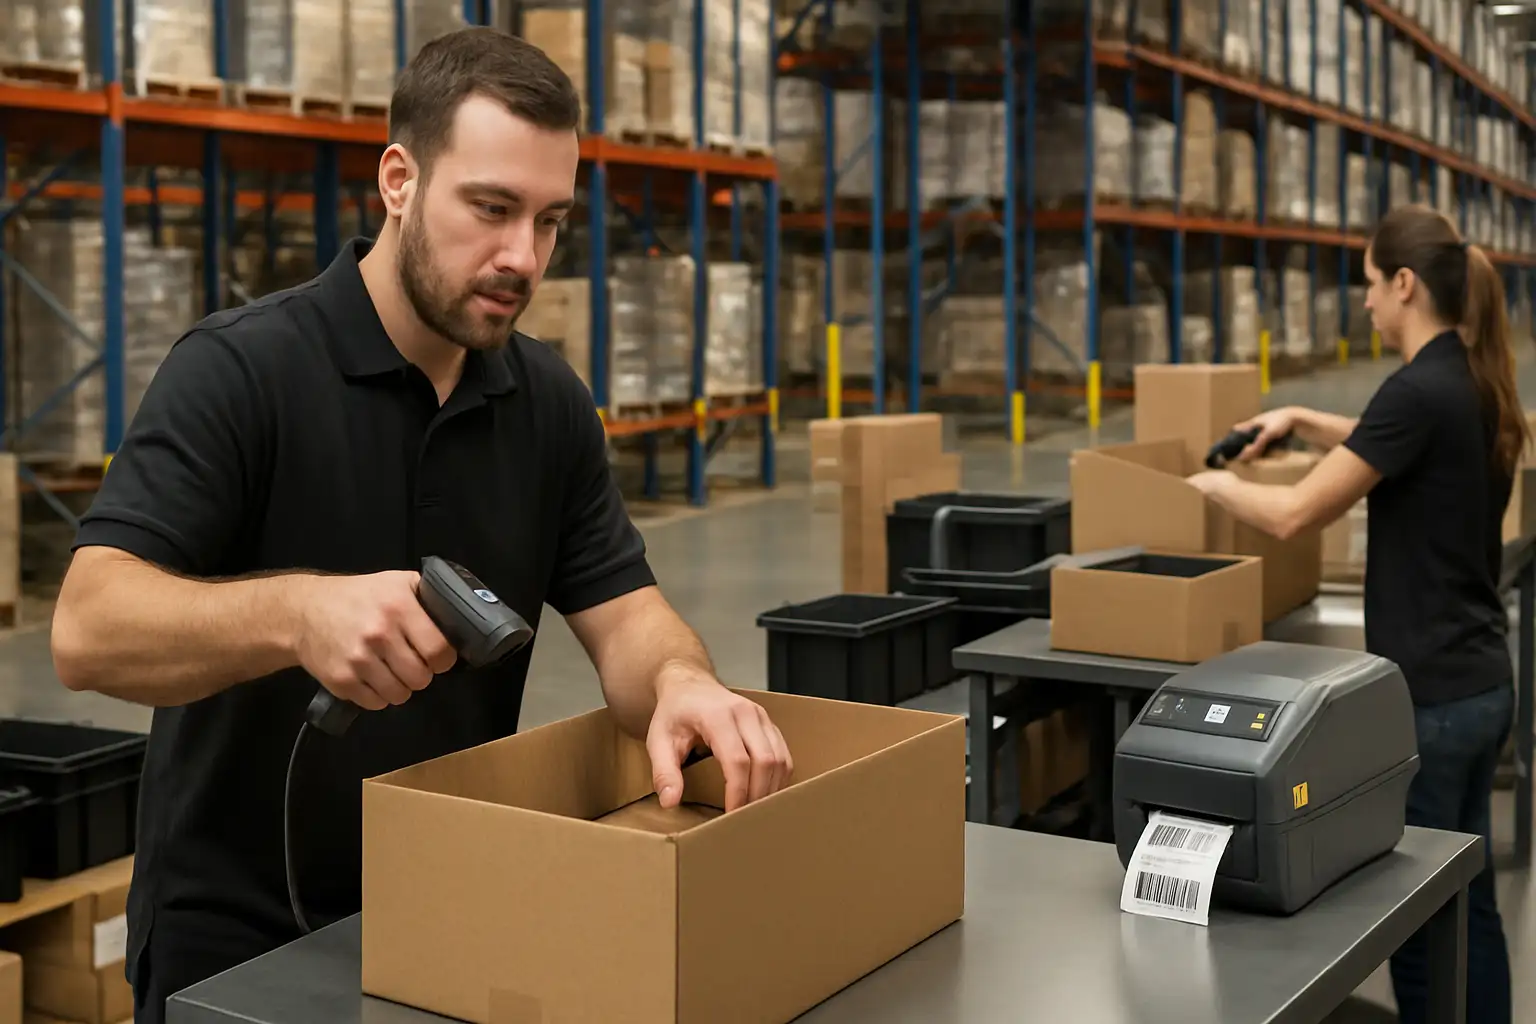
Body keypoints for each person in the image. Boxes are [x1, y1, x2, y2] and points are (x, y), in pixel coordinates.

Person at [47, 27, 793, 1024]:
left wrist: (682, 681)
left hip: (448, 916)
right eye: (490, 208)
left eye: (550, 221)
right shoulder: (241, 371)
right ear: (399, 180)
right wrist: (297, 616)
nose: (521, 257)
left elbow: (627, 617)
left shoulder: (548, 405)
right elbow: (87, 627)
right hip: (232, 946)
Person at [1187, 203, 1517, 1024]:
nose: (1363, 300)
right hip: (1483, 681)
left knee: (1420, 920)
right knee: (1468, 901)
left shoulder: (1418, 390)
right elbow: (1385, 438)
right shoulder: (1469, 379)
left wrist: (1213, 485)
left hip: (1434, 698)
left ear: (1405, 284)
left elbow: (1295, 514)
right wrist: (1299, 418)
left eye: (1369, 283)